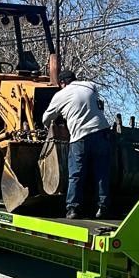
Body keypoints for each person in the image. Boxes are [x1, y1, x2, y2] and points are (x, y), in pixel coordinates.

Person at [42, 69, 112, 220]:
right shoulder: (90, 86)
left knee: (76, 174)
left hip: (80, 137)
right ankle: (103, 208)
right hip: (102, 133)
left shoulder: (60, 95)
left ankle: (73, 209)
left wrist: (50, 126)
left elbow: (46, 118)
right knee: (101, 173)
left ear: (62, 83)